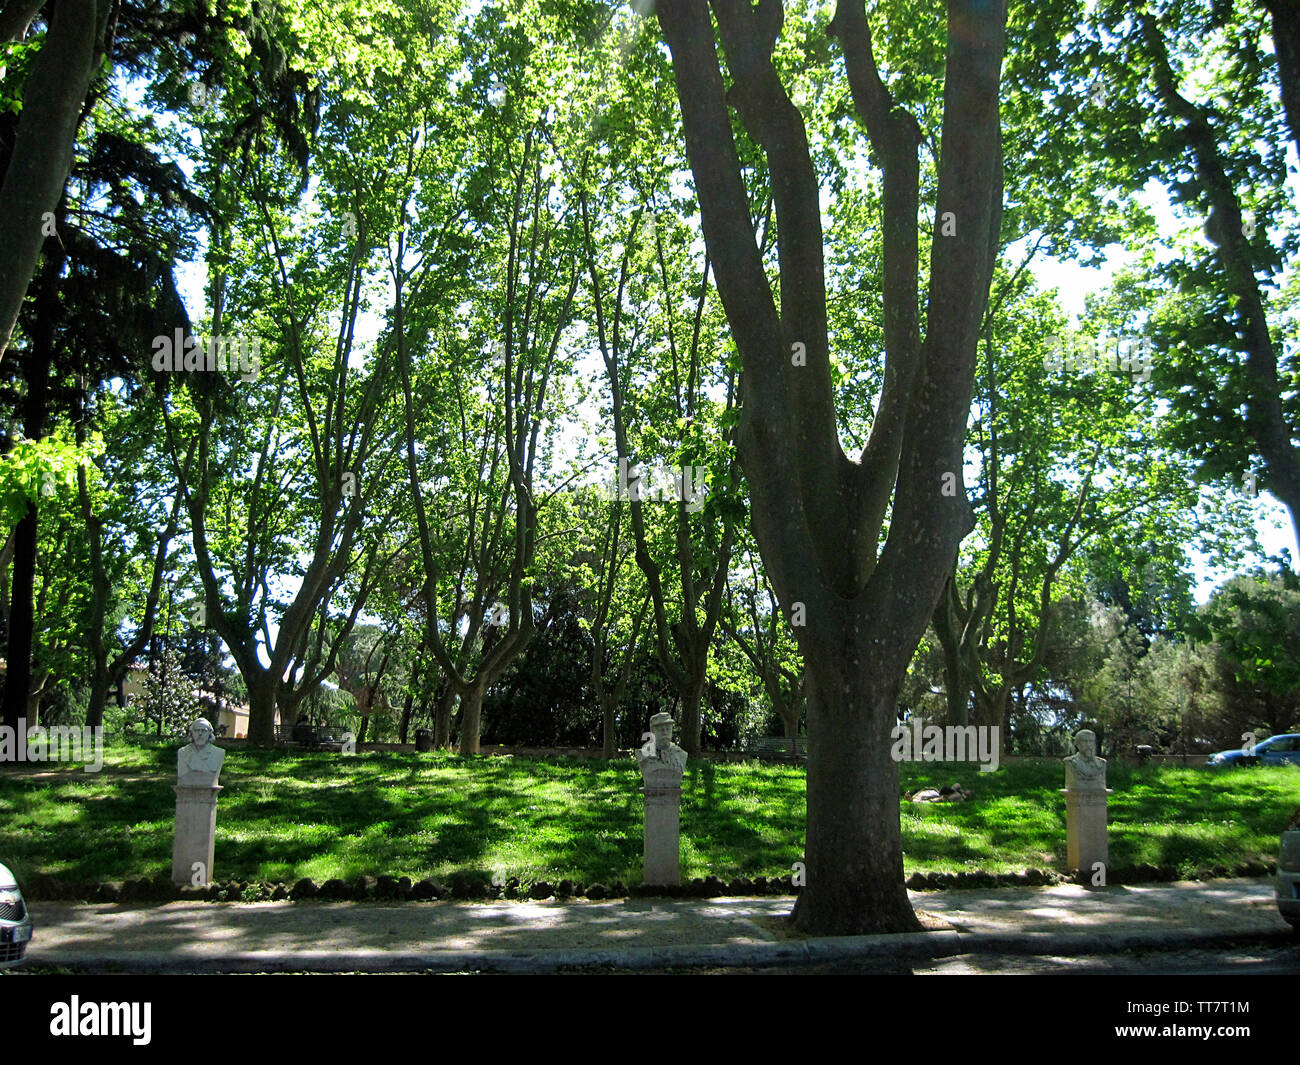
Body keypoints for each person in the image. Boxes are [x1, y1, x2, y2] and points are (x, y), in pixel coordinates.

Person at [177, 718, 226, 786]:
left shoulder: (219, 753)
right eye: (197, 730)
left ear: (209, 733)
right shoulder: (183, 752)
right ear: (192, 733)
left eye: (204, 731)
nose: (200, 733)